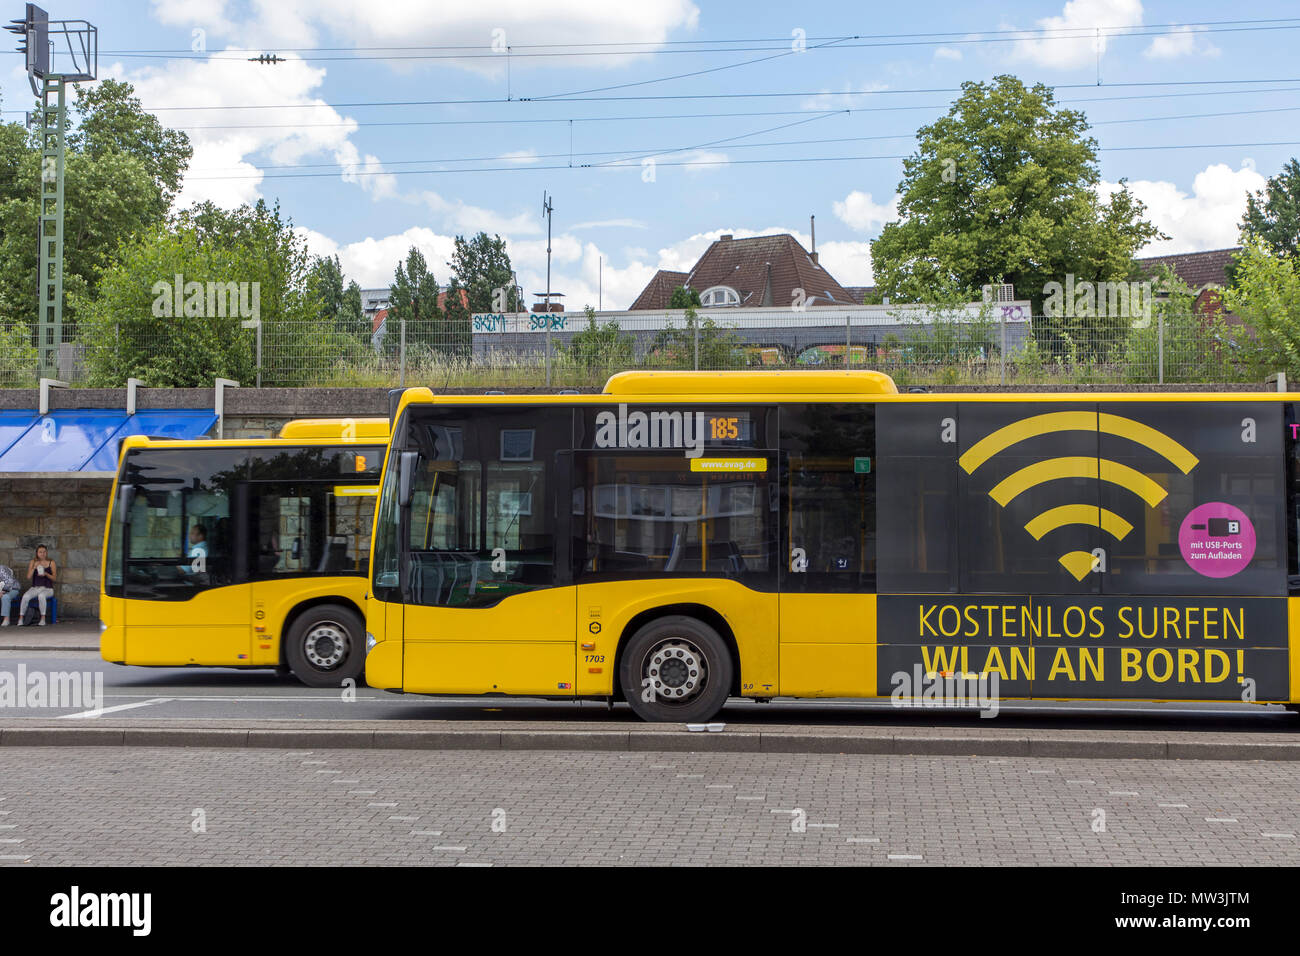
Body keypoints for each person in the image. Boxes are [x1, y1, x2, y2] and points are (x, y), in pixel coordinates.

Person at [16, 545, 57, 627]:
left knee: (41, 596)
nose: (42, 554)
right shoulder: (33, 561)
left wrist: (46, 574)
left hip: (48, 588)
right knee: (25, 596)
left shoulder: (51, 562)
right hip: (35, 587)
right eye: (40, 552)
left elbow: (54, 578)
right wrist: (34, 567)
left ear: (47, 552)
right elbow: (28, 577)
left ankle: (43, 619)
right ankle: (21, 618)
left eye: (44, 552)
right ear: (37, 553)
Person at [0, 562, 19, 626]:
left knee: (5, 597)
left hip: (12, 588)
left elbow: (9, 581)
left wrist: (3, 591)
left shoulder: (1, 569)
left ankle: (6, 619)